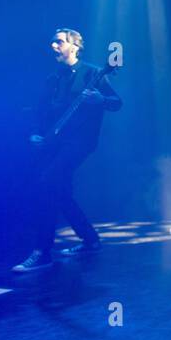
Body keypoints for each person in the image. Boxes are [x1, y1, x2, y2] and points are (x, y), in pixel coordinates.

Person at [13, 28, 121, 272]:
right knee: (59, 191)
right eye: (52, 42)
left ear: (74, 47)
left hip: (80, 142)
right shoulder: (53, 79)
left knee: (46, 182)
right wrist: (34, 133)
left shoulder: (93, 73)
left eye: (59, 42)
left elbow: (117, 102)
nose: (53, 46)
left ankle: (42, 251)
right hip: (54, 142)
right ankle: (90, 240)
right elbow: (39, 112)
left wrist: (100, 100)